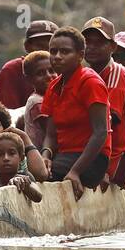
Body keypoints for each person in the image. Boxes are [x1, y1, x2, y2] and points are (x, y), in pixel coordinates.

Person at [39, 27, 110, 198]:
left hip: (92, 158)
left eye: (65, 52)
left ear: (80, 55)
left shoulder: (90, 82)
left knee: (42, 177)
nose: (57, 56)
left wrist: (75, 171)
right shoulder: (54, 86)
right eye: (53, 51)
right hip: (64, 156)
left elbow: (101, 132)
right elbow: (50, 134)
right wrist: (45, 155)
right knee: (35, 168)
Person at [83, 17, 125, 189]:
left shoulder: (115, 73)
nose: (91, 47)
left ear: (112, 47)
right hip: (99, 152)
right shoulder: (86, 74)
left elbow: (107, 124)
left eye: (99, 43)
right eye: (87, 42)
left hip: (118, 161)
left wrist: (102, 170)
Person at [0, 20, 58, 108]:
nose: (45, 51)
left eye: (52, 48)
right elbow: (7, 113)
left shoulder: (63, 71)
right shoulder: (12, 70)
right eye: (40, 46)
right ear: (27, 46)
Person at [0, 130, 42, 202]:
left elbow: (38, 197)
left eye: (11, 153)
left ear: (21, 158)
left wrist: (25, 185)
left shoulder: (24, 176)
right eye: (0, 154)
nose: (6, 158)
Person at [20, 49, 55, 150]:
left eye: (51, 70)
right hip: (41, 157)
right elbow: (54, 133)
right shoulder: (37, 102)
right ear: (29, 79)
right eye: (40, 73)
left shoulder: (51, 98)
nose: (49, 76)